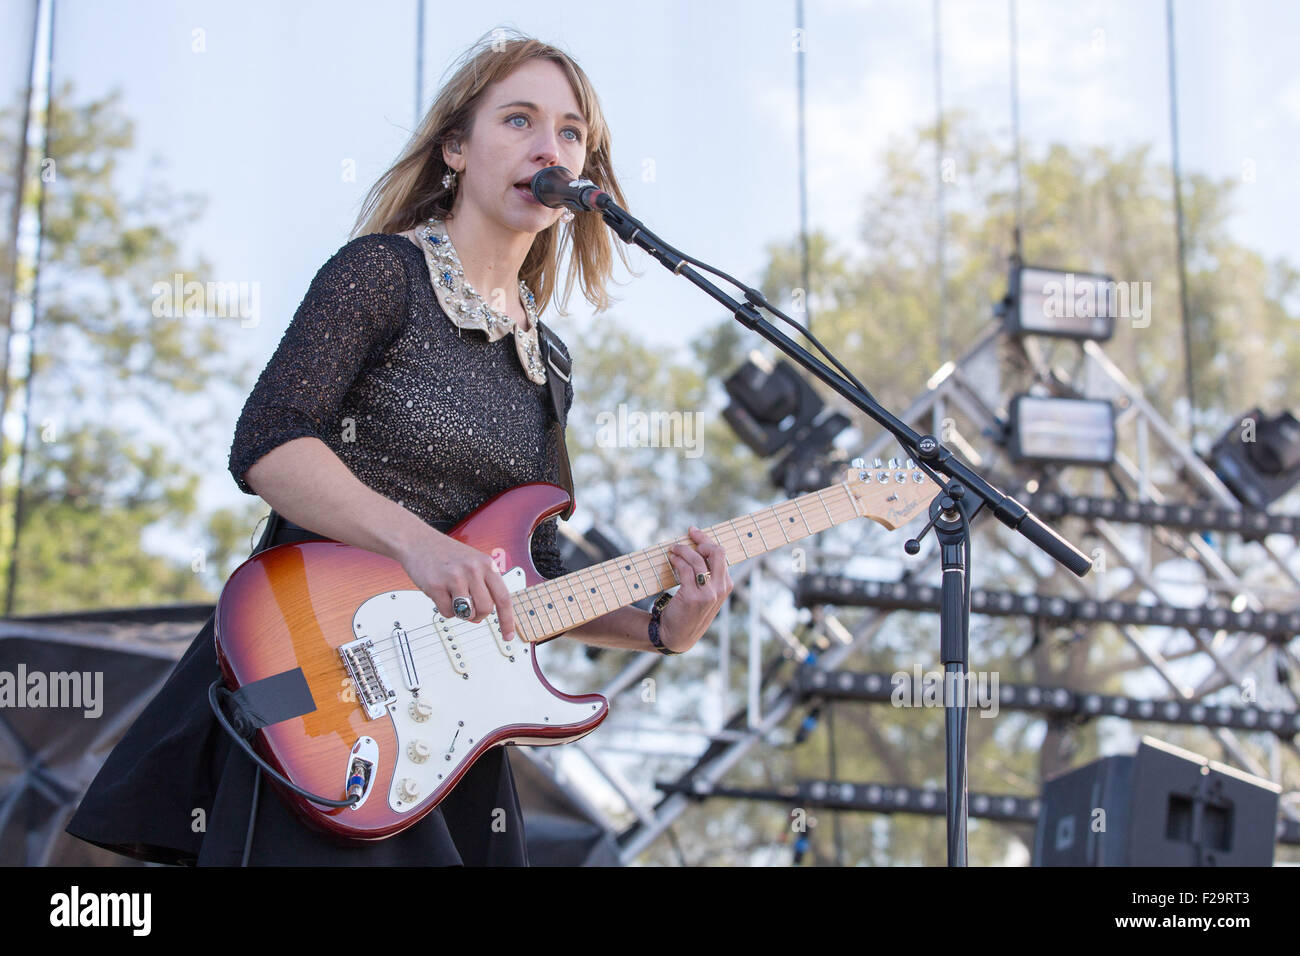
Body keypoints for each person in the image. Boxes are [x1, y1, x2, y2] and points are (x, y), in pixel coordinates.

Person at [65, 31, 733, 867]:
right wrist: (419, 546)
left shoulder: (549, 362)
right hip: (319, 684)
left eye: (570, 133)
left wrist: (666, 626)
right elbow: (268, 442)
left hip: (443, 736)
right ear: (456, 147)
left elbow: (538, 582)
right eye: (518, 119)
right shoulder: (383, 274)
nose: (548, 147)